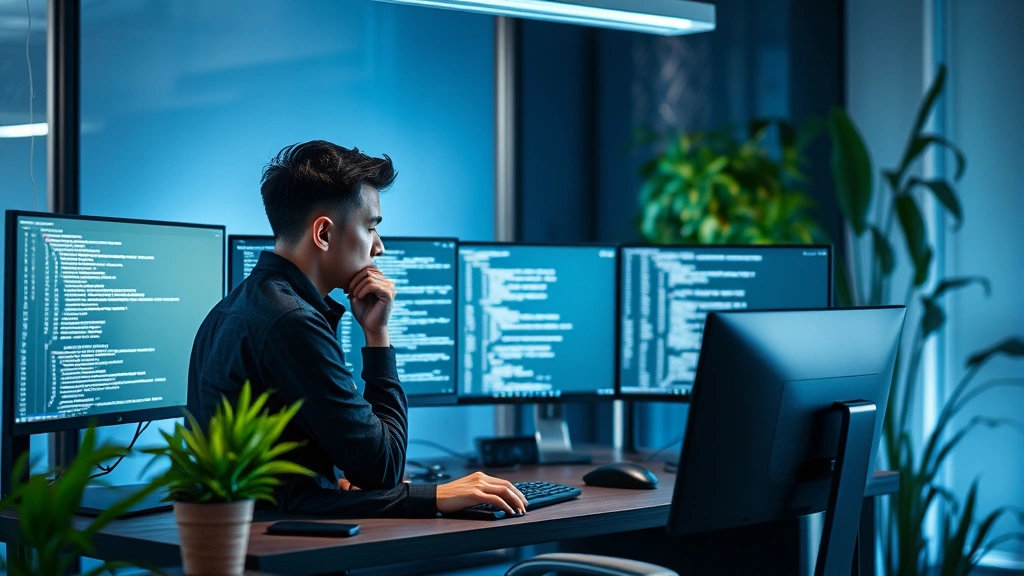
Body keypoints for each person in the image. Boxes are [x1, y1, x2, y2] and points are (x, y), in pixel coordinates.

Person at [187, 140, 527, 517]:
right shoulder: (292, 321)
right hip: (291, 553)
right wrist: (378, 336)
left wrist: (331, 475)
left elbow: (285, 472)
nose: (378, 247)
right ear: (324, 234)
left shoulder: (229, 309)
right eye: (371, 228)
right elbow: (383, 469)